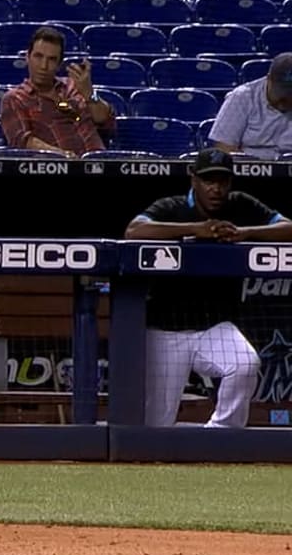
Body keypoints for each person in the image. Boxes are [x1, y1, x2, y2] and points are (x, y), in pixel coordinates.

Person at [124, 148, 292, 428]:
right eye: (208, 181)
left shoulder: (241, 205)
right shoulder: (172, 207)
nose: (216, 189)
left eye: (222, 181)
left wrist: (247, 233)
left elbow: (288, 227)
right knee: (155, 423)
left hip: (214, 327)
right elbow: (134, 231)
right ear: (193, 179)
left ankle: (220, 437)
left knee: (245, 363)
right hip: (166, 329)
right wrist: (196, 229)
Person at [0, 26, 113, 156]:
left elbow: (105, 121)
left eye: (52, 59)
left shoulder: (74, 86)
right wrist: (63, 156)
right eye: (38, 56)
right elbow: (23, 142)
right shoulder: (15, 98)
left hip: (100, 163)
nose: (43, 66)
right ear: (27, 57)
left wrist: (89, 94)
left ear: (59, 64)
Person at [208, 53, 292, 160]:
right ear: (269, 79)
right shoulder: (243, 97)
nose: (285, 100)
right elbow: (224, 148)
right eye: (281, 92)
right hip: (247, 171)